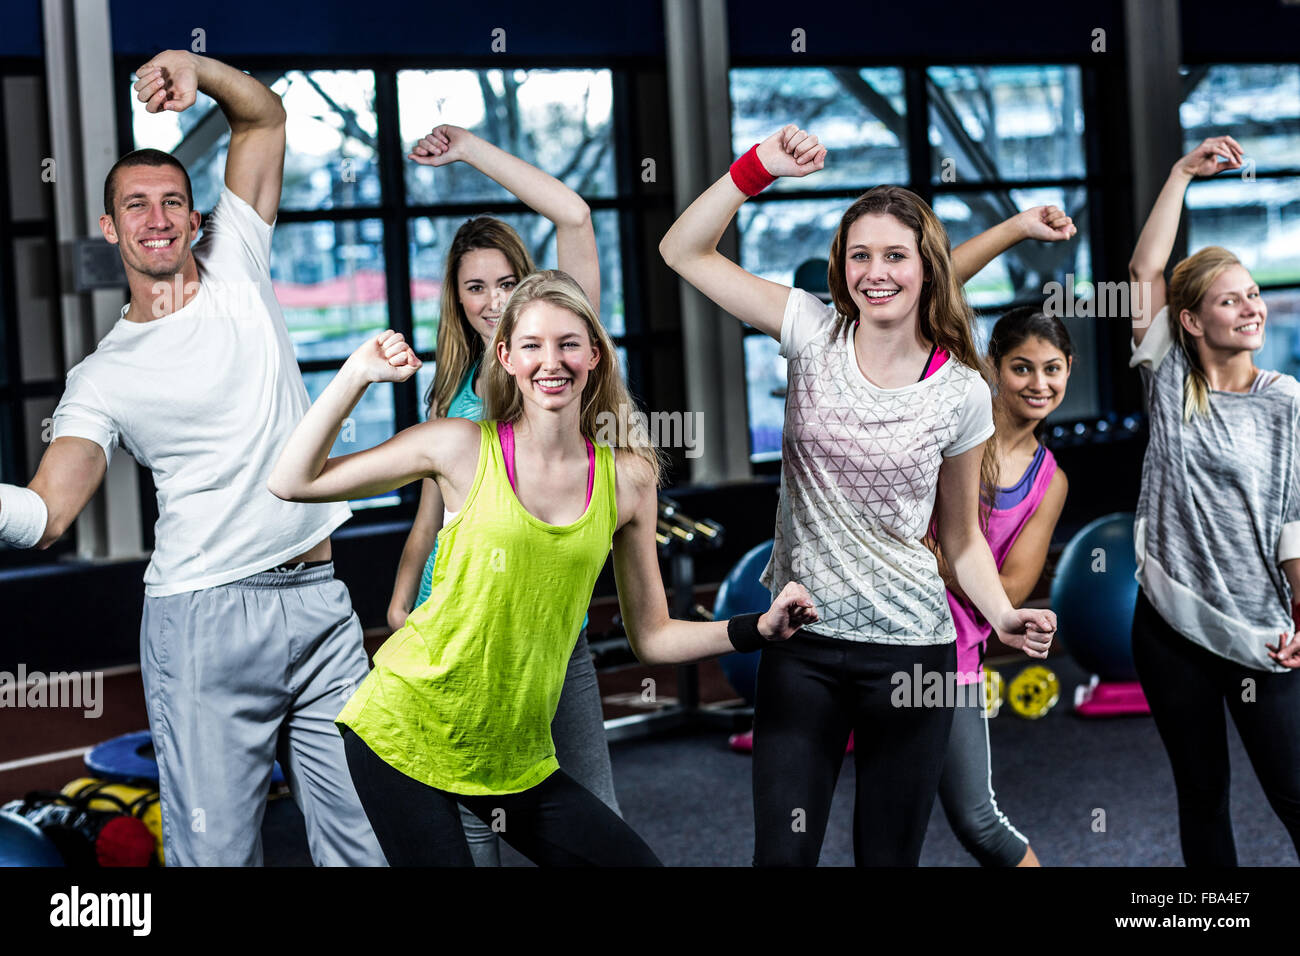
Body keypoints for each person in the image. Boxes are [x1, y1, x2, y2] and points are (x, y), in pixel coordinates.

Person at [268, 270, 818, 866]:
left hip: (513, 755)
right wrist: (357, 374)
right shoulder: (460, 446)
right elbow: (292, 480)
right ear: (505, 356)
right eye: (530, 345)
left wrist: (754, 629)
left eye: (568, 344)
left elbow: (654, 637)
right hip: (403, 730)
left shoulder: (627, 480)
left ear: (595, 355)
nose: (549, 362)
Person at [0, 50, 384, 865]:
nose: (158, 216)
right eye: (135, 205)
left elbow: (266, 116)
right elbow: (45, 515)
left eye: (173, 199)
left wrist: (196, 69)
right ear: (110, 229)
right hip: (205, 622)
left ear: (196, 217)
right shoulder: (102, 375)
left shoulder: (239, 259)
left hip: (320, 601)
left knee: (367, 838)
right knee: (218, 858)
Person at [659, 124, 1056, 866]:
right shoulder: (809, 330)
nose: (877, 272)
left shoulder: (963, 393)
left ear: (927, 269)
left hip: (913, 655)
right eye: (860, 255)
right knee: (781, 858)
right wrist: (757, 169)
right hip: (802, 646)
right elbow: (681, 250)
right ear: (842, 267)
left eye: (895, 256)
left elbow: (961, 541)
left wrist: (1001, 614)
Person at [389, 123, 617, 867]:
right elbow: (430, 516)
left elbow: (574, 216)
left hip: (555, 639)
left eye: (507, 282)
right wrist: (399, 604)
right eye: (475, 287)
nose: (493, 302)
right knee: (475, 844)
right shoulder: (451, 393)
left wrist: (469, 150)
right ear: (456, 298)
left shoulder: (558, 361)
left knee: (595, 832)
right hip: (460, 636)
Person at [1127, 134, 1300, 865]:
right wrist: (1179, 175)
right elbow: (1143, 269)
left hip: (1261, 630)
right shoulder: (1168, 375)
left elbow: (1295, 522)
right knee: (1201, 794)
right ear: (1191, 322)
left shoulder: (1286, 401)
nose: (1250, 308)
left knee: (1295, 795)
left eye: (1253, 295)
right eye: (1230, 301)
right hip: (1169, 625)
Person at [930, 307, 1073, 867]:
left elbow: (1011, 588)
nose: (1039, 384)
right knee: (887, 813)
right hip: (878, 632)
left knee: (977, 821)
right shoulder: (950, 426)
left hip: (955, 652)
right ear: (992, 367)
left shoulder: (1049, 480)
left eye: (1053, 369)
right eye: (1022, 368)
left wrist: (941, 559)